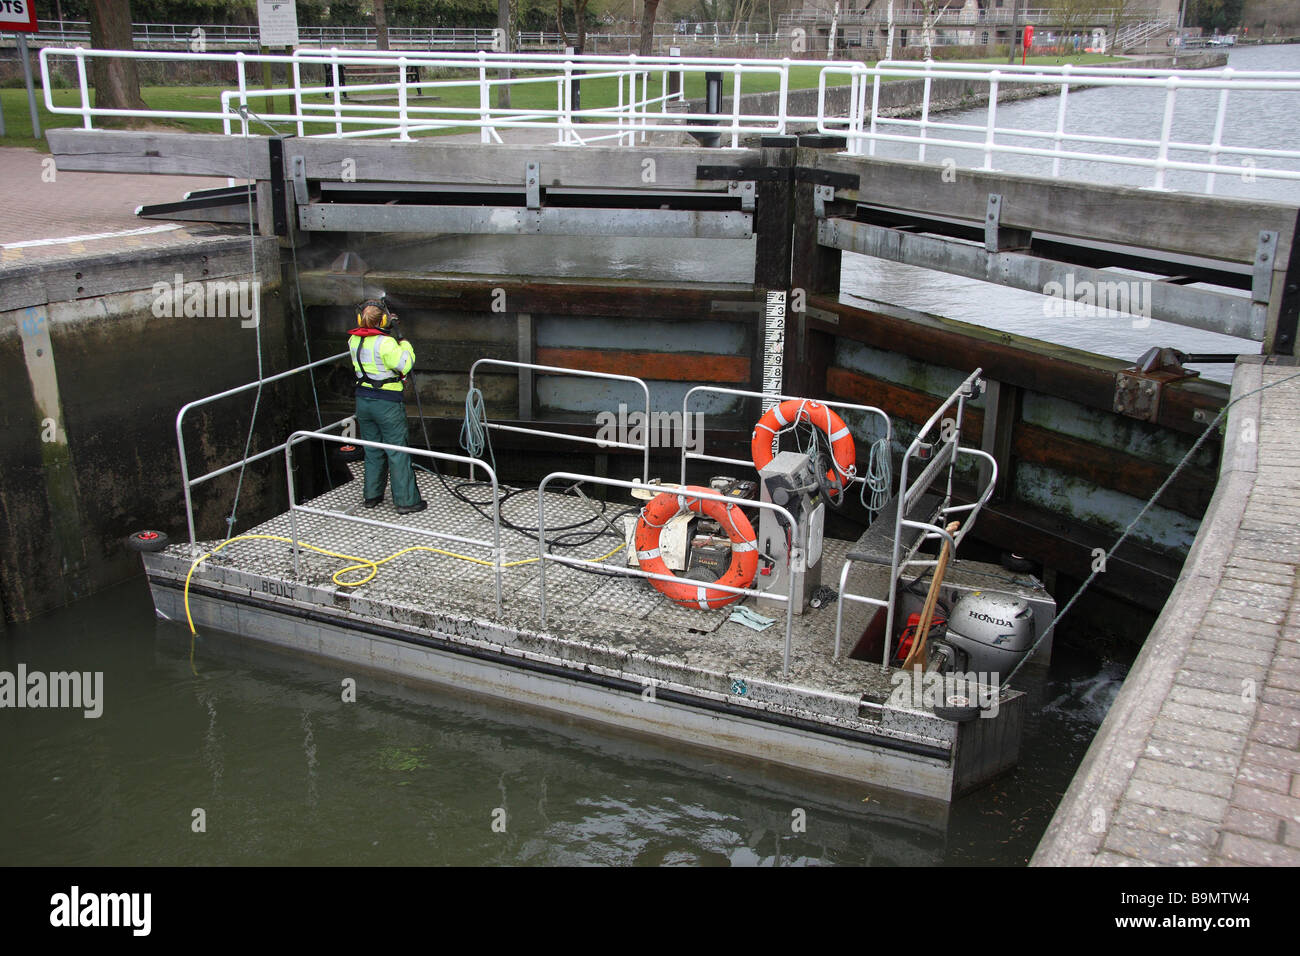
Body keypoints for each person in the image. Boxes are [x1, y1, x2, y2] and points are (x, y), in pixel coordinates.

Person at [348, 300, 426, 514]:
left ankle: (372, 496)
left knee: (372, 449)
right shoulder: (387, 343)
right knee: (397, 450)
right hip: (387, 403)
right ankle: (407, 501)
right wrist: (405, 343)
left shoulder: (354, 340)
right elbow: (404, 364)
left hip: (363, 401)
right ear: (383, 320)